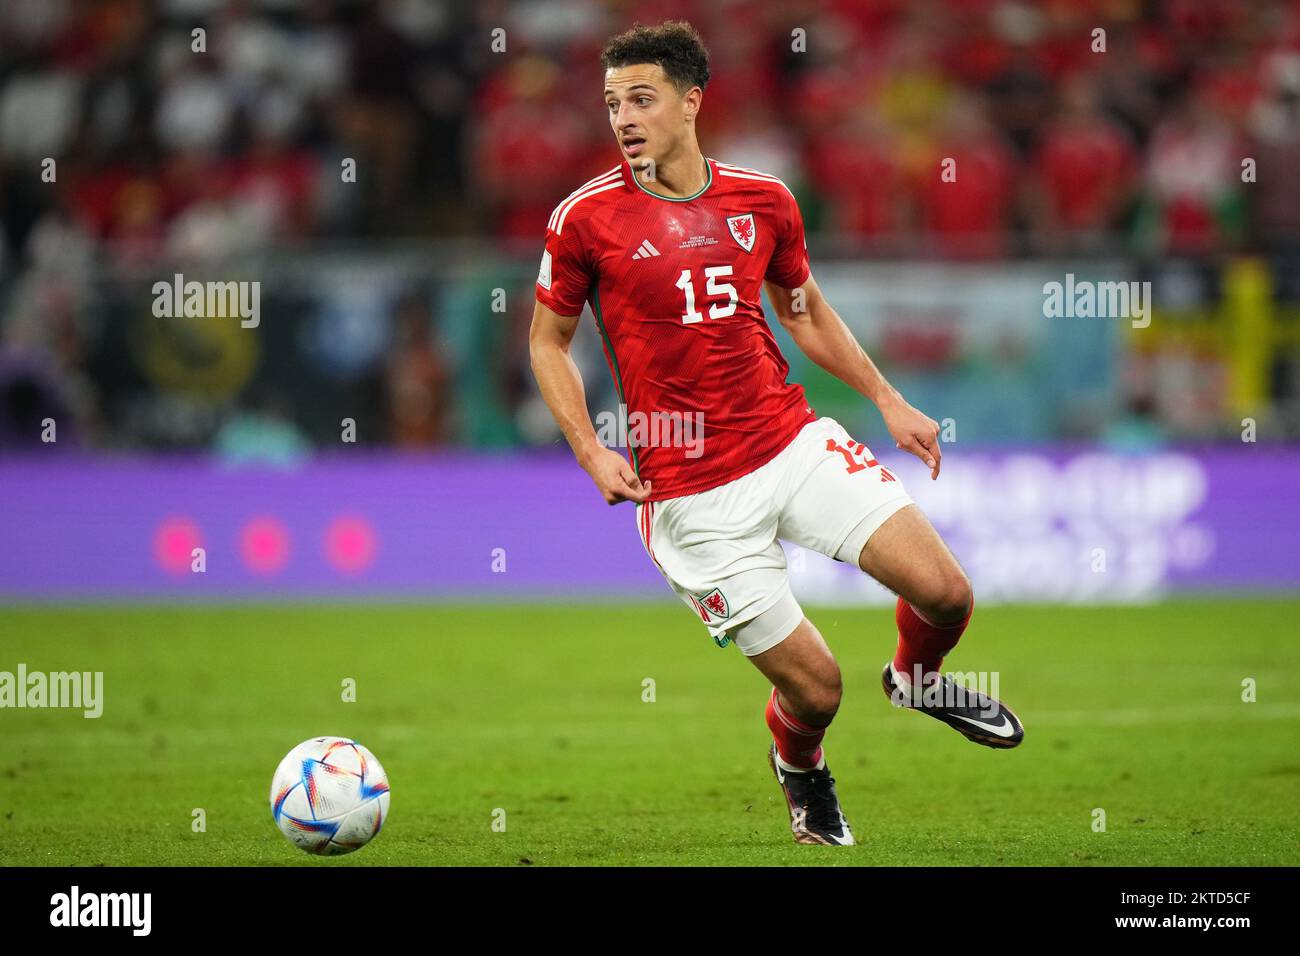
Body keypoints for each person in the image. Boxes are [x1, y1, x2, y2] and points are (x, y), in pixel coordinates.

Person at [529, 20, 1023, 847]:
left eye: (642, 99)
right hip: (690, 496)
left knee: (947, 594)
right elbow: (547, 343)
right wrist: (589, 448)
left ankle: (916, 679)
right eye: (613, 103)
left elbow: (804, 312)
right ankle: (801, 766)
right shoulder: (585, 218)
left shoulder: (764, 200)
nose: (624, 118)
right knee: (818, 690)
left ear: (692, 102)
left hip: (790, 444)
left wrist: (888, 398)